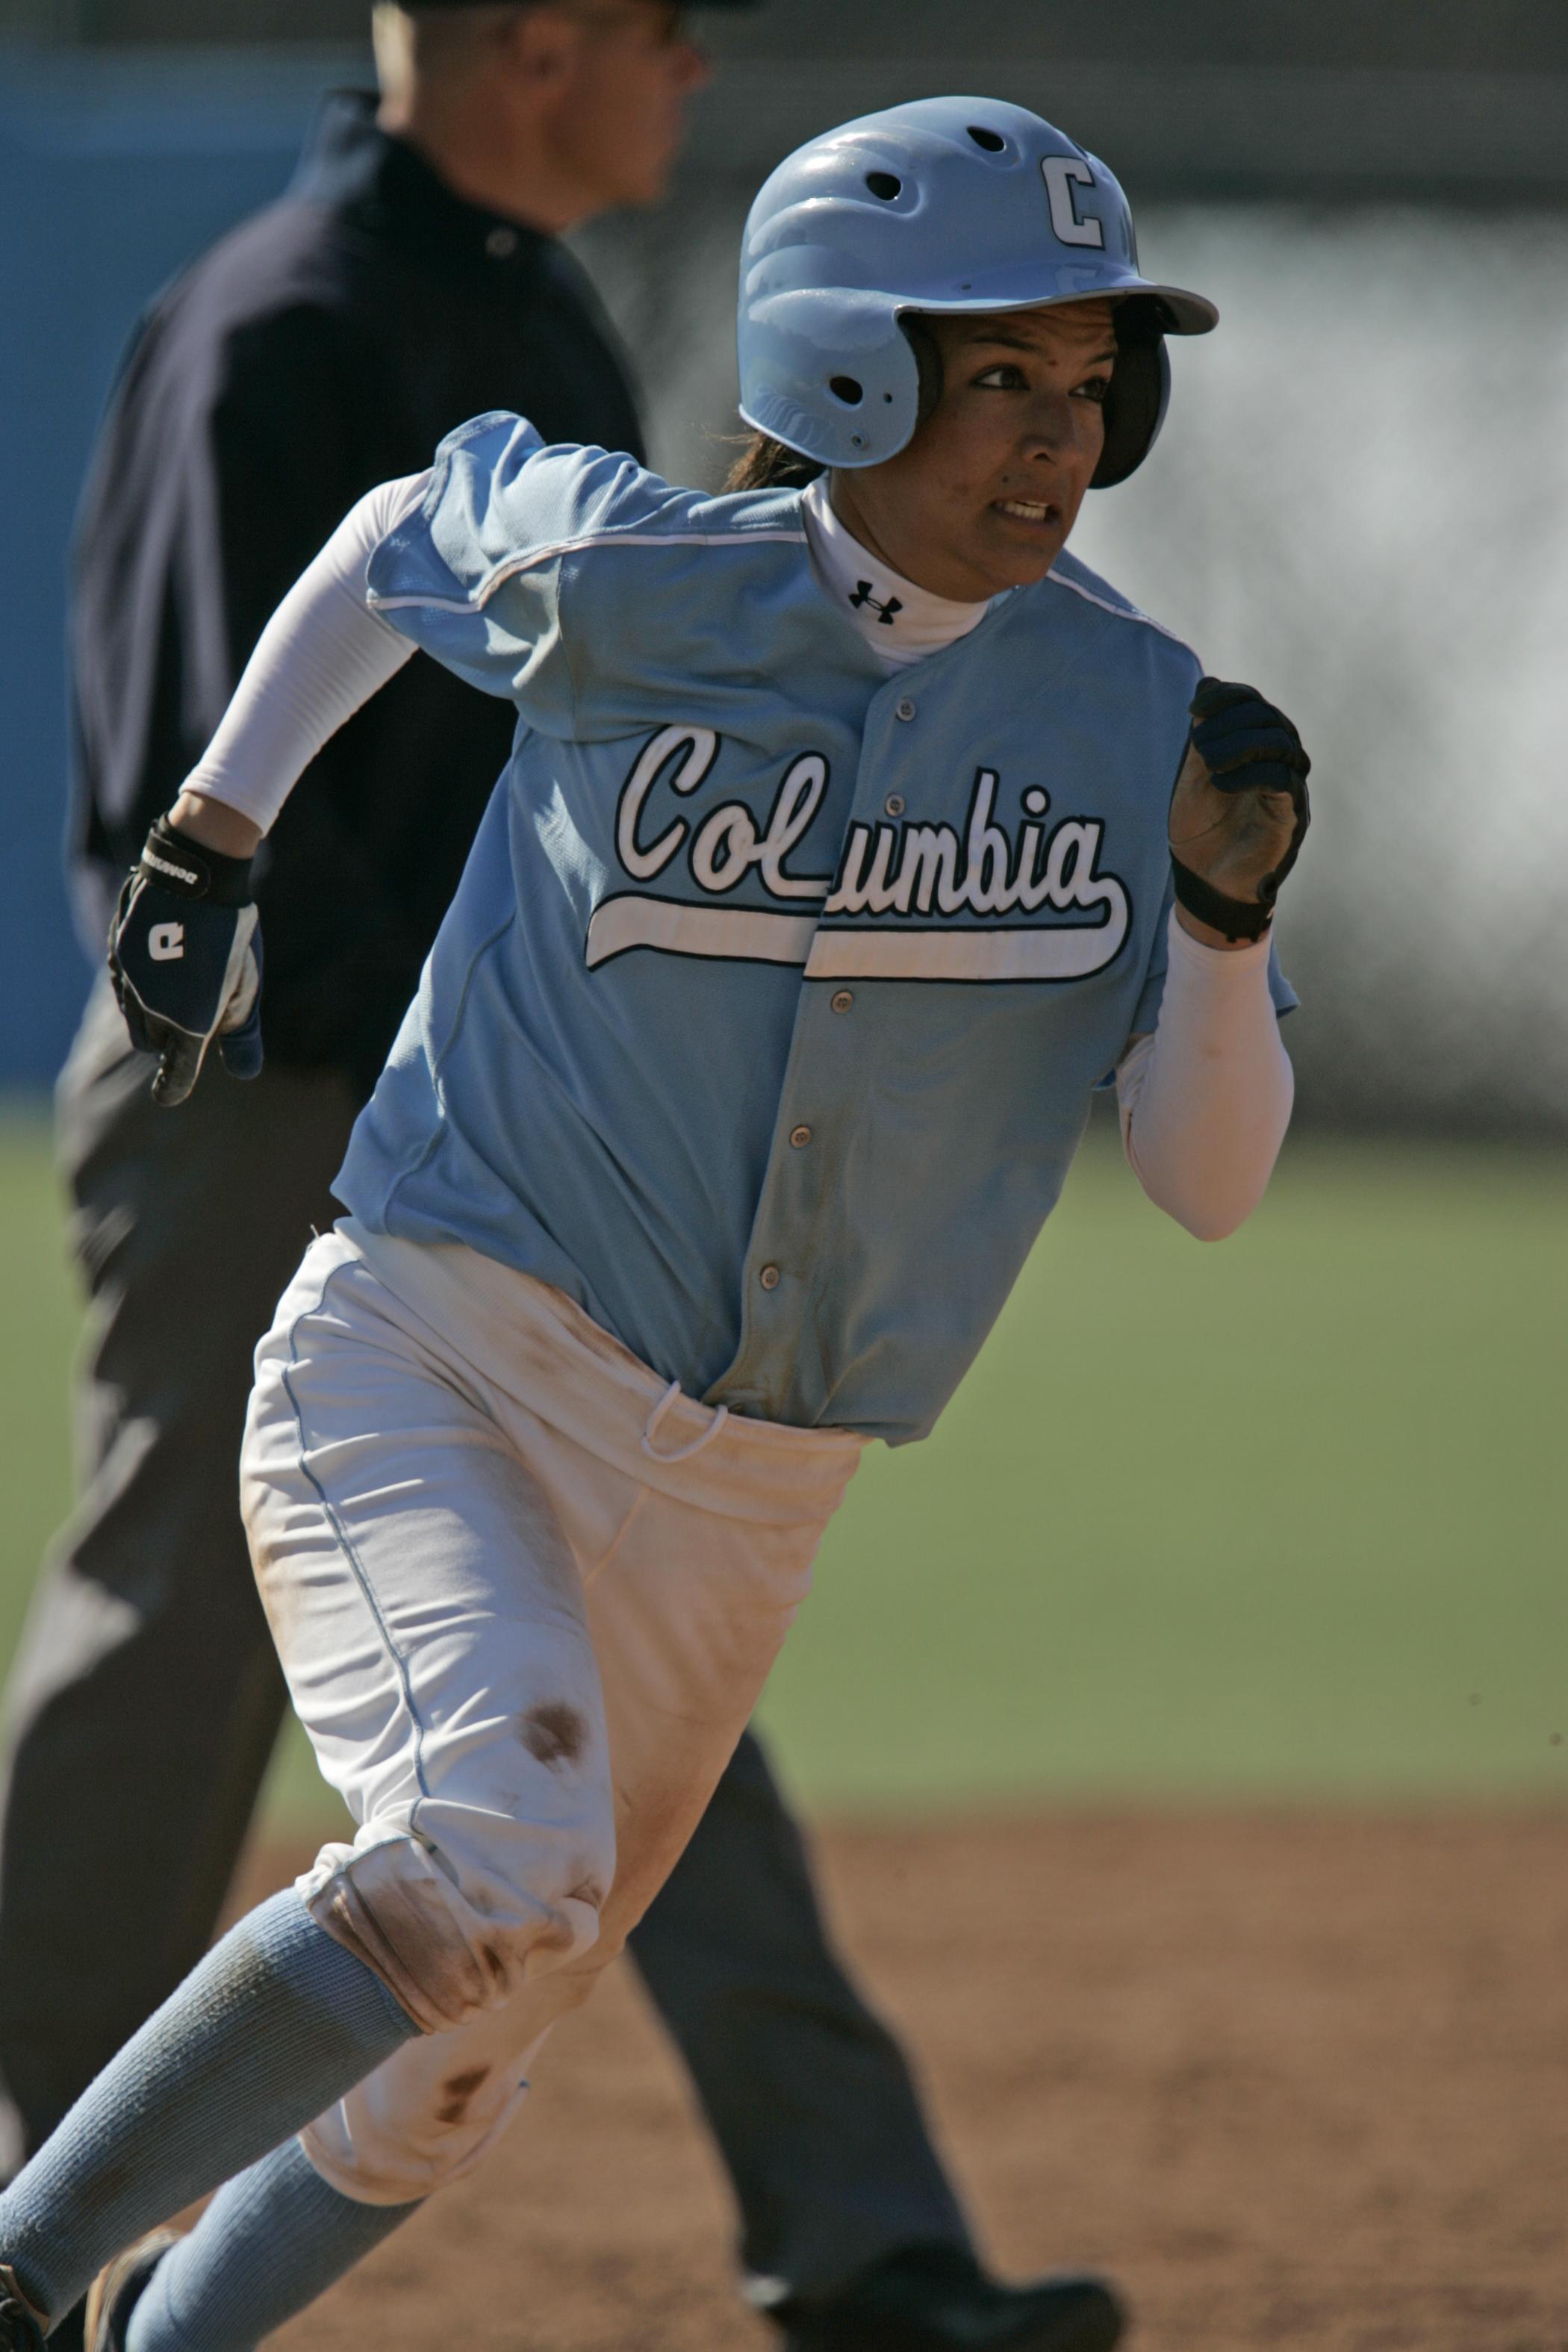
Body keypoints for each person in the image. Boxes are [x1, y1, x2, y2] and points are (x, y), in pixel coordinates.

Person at [0, 93, 1310, 2352]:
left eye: (1092, 385)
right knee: (489, 1862)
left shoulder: (1124, 715)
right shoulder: (641, 577)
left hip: (752, 1494)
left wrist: (1214, 924)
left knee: (460, 2061)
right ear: (840, 372)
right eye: (998, 374)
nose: (1054, 441)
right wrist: (214, 838)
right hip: (438, 1353)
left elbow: (1205, 1192)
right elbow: (400, 532)